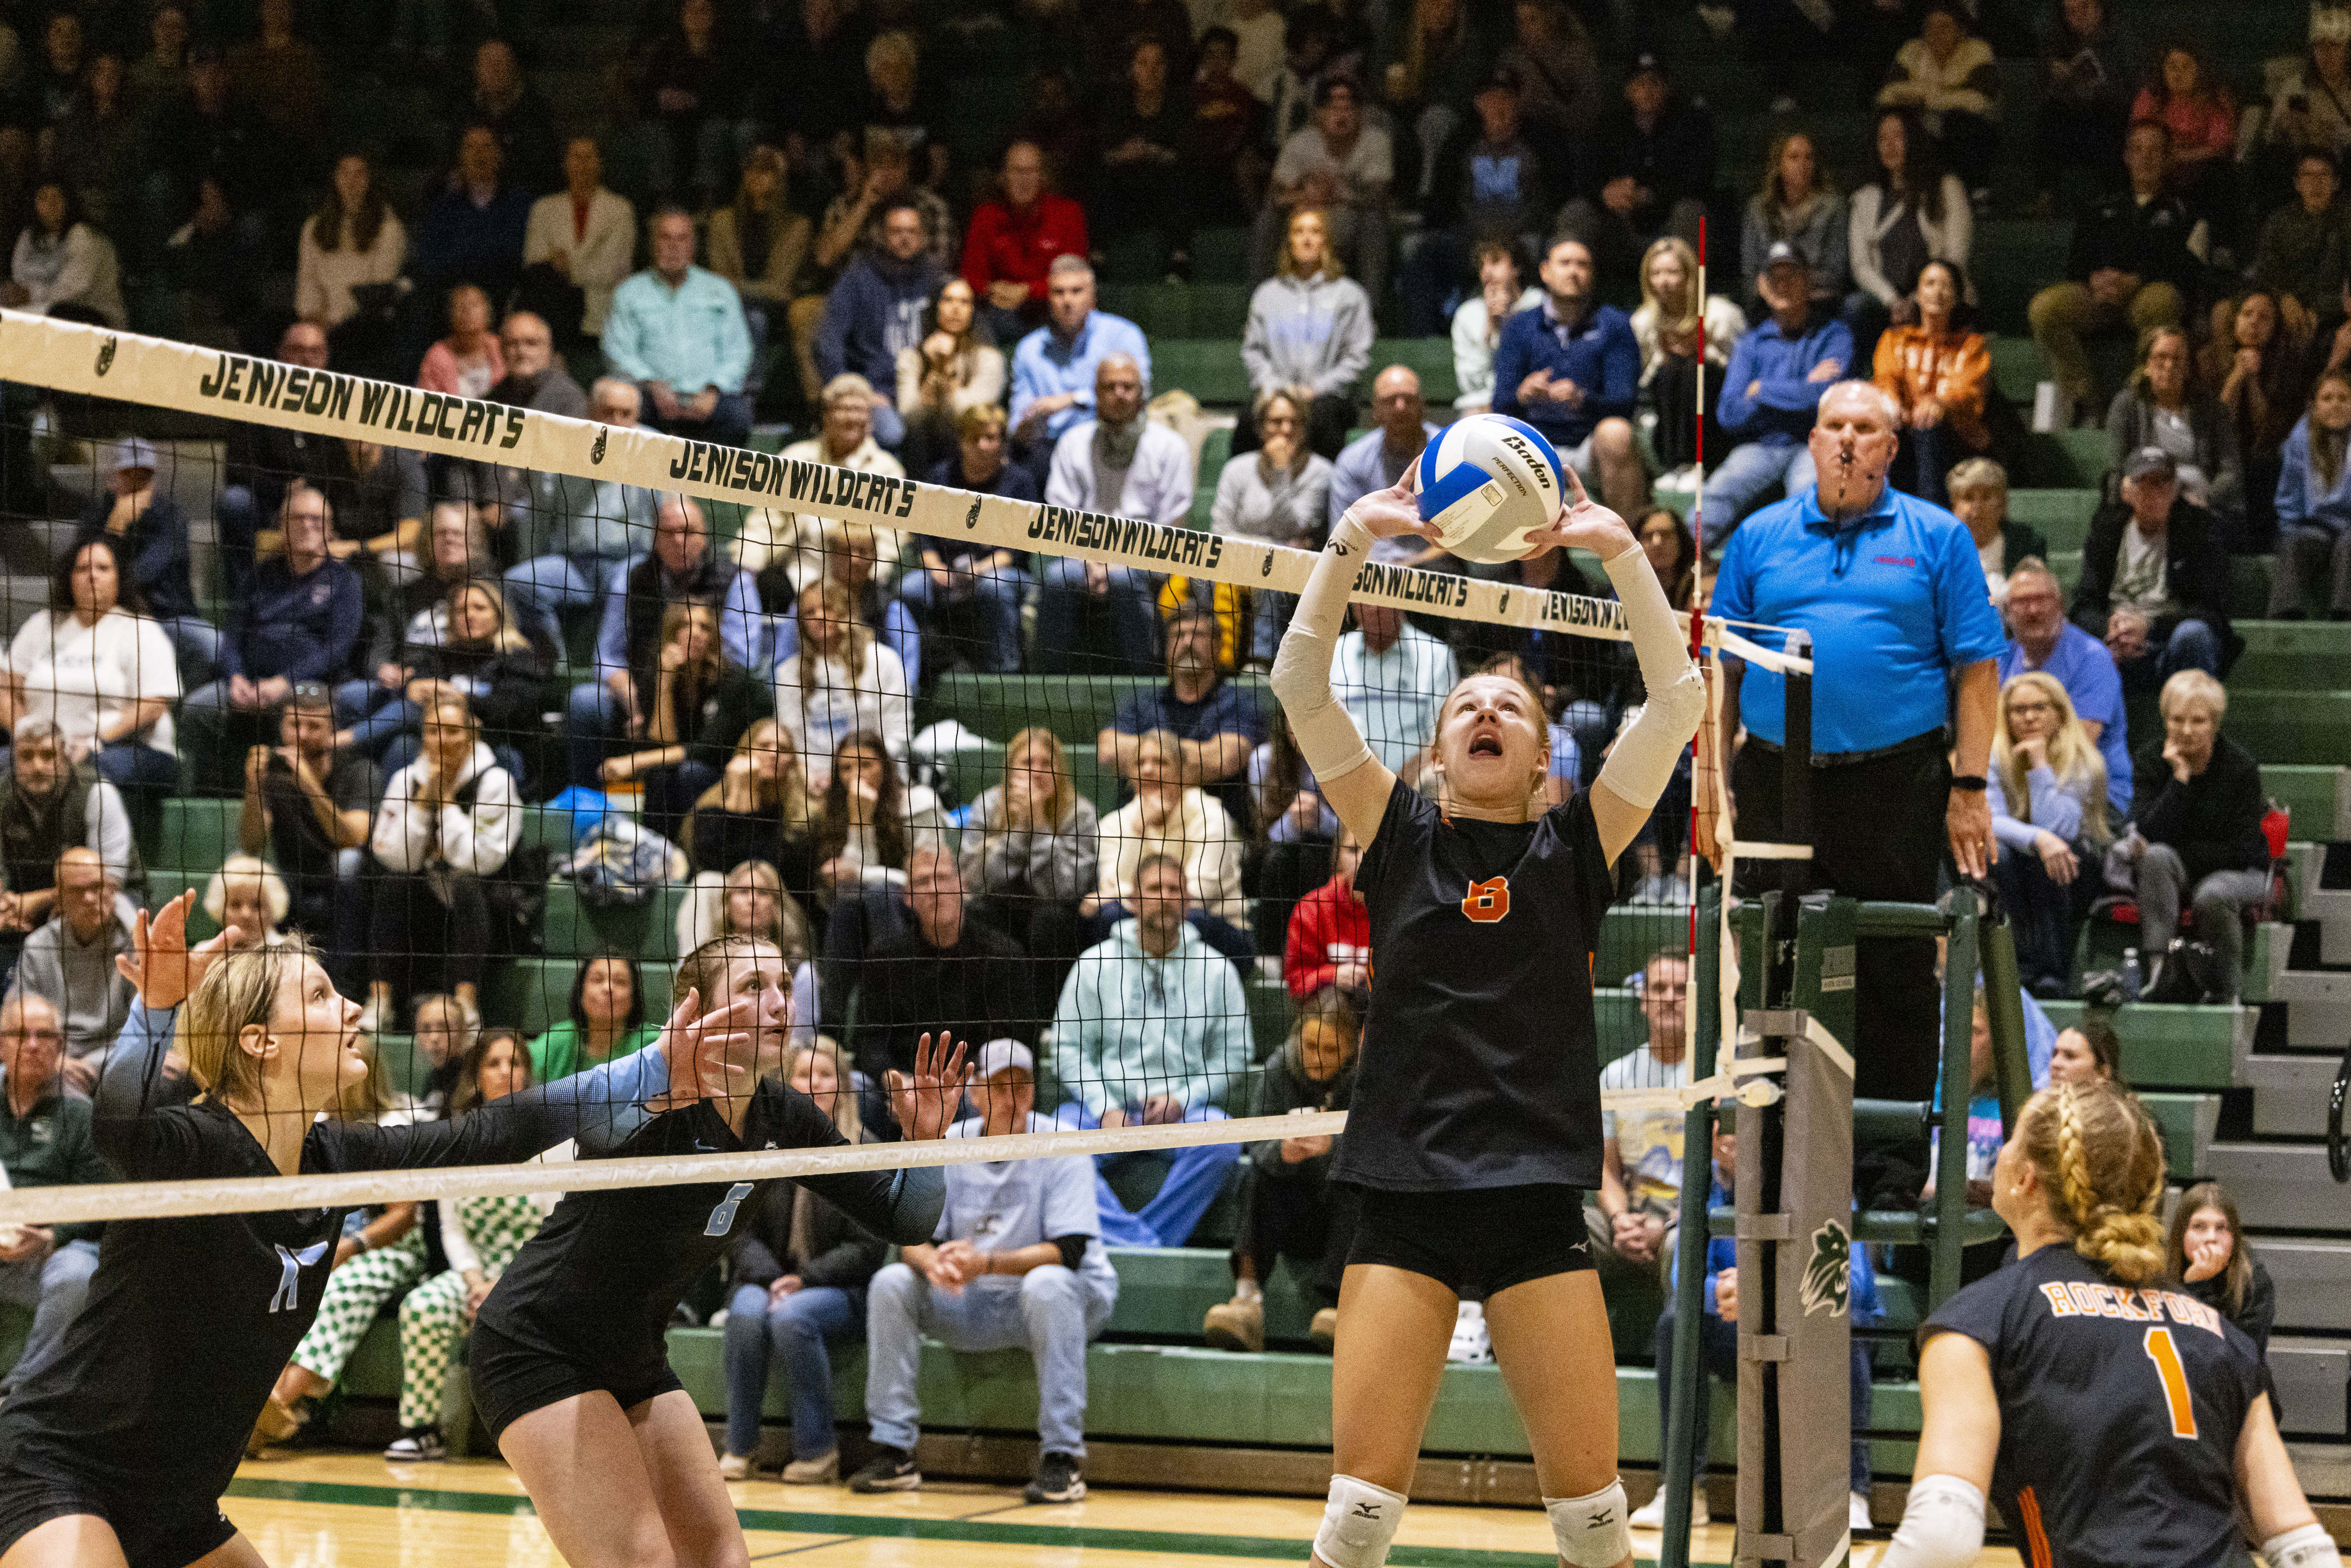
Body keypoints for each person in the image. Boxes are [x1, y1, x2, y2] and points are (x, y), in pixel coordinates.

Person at [1265, 425, 1703, 1568]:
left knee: (1593, 1524)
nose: (1486, 712)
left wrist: (1620, 554)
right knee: (1355, 1521)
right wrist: (1356, 535)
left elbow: (1676, 699)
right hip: (1402, 1187)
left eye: (1508, 705)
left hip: (1533, 1195)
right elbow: (1297, 681)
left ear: (1544, 760)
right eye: (1465, 703)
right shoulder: (1396, 829)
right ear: (1433, 750)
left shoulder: (1574, 844)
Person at [0, 892, 725, 1568]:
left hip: (177, 1501)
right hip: (64, 1467)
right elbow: (121, 1127)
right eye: (319, 996)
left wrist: (652, 1067)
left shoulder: (337, 1159)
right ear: (258, 1041)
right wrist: (154, 1009)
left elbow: (496, 1130)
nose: (351, 1009)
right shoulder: (196, 1147)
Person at [470, 938, 962, 1568]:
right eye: (754, 986)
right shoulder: (645, 1100)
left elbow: (907, 1218)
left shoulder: (782, 1115)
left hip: (633, 1353)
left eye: (784, 984)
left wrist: (926, 1143)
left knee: (723, 1558)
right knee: (646, 1560)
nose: (779, 1001)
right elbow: (533, 1129)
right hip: (534, 1345)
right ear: (697, 1011)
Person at [1893, 1081, 2334, 1568]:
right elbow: (2304, 1550)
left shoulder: (1979, 1322)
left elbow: (1942, 1534)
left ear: (2025, 1178)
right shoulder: (2220, 1334)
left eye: (2010, 1139)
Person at [1715, 382, 2006, 1107]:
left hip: (1896, 783)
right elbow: (1718, 673)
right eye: (1834, 425)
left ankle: (1891, 1164)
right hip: (1775, 780)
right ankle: (1772, 1154)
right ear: (1812, 443)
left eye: (1866, 428)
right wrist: (1713, 786)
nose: (1847, 439)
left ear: (1891, 448)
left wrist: (1969, 789)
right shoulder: (1757, 538)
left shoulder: (1937, 537)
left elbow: (1977, 670)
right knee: (1770, 961)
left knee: (1894, 965)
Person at [852, 1038, 1117, 1502]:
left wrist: (985, 1264)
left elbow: (1070, 1251)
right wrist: (934, 1263)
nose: (1012, 1098)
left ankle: (1062, 1458)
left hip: (1066, 1300)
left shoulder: (1063, 1143)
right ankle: (894, 1452)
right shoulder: (951, 1144)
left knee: (1048, 1284)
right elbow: (910, 1232)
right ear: (974, 1093)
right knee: (892, 1282)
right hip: (975, 1298)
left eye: (1022, 1086)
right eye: (999, 1086)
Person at [1636, 1118, 1880, 1534]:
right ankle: (1680, 1494)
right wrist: (1725, 1294)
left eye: (1748, 1122)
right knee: (1677, 1321)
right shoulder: (1703, 1185)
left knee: (1846, 1324)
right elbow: (1683, 1278)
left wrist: (1765, 1292)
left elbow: (1852, 1287)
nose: (1734, 1135)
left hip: (1812, 1332)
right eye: (1725, 1124)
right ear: (1711, 1140)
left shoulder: (1820, 1177)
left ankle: (1850, 1493)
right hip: (1742, 1328)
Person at [1053, 854, 1251, 1248]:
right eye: (1154, 889)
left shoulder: (1218, 970)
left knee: (1224, 1140)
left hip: (1184, 1114)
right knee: (1055, 1138)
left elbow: (1233, 1056)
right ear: (1132, 900)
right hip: (1108, 1111)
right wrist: (1104, 1105)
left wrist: (1182, 1098)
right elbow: (1069, 1048)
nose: (1164, 898)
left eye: (1174, 889)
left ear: (1189, 902)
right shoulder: (1094, 965)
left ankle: (1139, 1245)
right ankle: (1142, 1246)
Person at [717, 1035, 884, 1481]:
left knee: (793, 1317)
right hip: (768, 1277)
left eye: (825, 1075)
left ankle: (819, 1451)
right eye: (804, 1075)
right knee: (747, 1314)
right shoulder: (764, 1145)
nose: (815, 1084)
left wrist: (804, 1280)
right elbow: (737, 1227)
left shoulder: (864, 1149)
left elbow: (869, 1247)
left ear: (843, 1086)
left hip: (838, 1289)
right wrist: (772, 1277)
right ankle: (741, 1448)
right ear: (788, 1084)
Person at [380, 1027, 550, 1461]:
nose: (504, 1072)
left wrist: (505, 1284)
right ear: (477, 1077)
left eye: (514, 1063)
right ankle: (421, 1430)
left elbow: (555, 1226)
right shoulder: (459, 1140)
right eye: (493, 1063)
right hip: (474, 1273)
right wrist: (477, 1283)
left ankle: (537, 1437)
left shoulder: (551, 1139)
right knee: (423, 1306)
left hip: (534, 1271)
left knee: (532, 1313)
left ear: (528, 1075)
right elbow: (452, 1231)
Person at [565, 495, 761, 797]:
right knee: (586, 701)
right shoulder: (632, 577)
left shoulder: (734, 580)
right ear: (654, 537)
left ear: (705, 536)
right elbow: (607, 655)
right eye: (669, 532)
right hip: (643, 691)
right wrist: (633, 701)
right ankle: (585, 802)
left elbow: (743, 656)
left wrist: (693, 669)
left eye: (688, 531)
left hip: (707, 692)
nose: (679, 540)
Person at [1204, 985, 1362, 1353]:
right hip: (1291, 1211)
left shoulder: (1363, 1079)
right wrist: (1284, 1152)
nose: (1318, 1059)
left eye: (1330, 1050)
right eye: (1310, 1047)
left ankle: (1342, 1308)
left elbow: (1380, 1152)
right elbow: (1257, 1143)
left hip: (1338, 1219)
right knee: (1256, 1174)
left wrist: (1332, 1147)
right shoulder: (1279, 1068)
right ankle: (1246, 1303)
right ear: (1297, 1038)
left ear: (1351, 1050)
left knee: (1360, 1186)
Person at [181, 485, 365, 790]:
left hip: (310, 685)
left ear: (330, 530)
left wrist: (283, 682)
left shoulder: (346, 581)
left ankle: (281, 799)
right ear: (282, 526)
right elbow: (232, 637)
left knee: (295, 716)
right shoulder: (259, 576)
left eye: (316, 520)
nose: (307, 526)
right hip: (249, 683)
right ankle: (199, 798)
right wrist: (236, 676)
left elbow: (337, 650)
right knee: (198, 707)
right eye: (298, 519)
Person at [2027, 120, 2202, 426]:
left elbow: (2187, 266)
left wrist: (2135, 280)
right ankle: (2086, 398)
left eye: (2155, 151)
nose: (2145, 158)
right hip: (2098, 294)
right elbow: (2077, 259)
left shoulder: (2185, 209)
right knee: (2045, 308)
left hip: (2147, 295)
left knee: (2162, 300)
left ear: (2168, 157)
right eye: (2138, 149)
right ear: (2127, 156)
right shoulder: (2103, 205)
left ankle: (2138, 399)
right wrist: (2094, 279)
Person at [366, 693, 520, 1027]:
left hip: (484, 899)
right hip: (426, 900)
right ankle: (380, 1001)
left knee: (465, 881)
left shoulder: (497, 783)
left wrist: (447, 805)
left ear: (471, 736)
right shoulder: (405, 780)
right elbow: (396, 859)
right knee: (392, 885)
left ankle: (466, 1006)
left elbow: (482, 862)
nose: (442, 741)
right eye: (433, 731)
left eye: (452, 731)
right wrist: (423, 804)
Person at [2115, 669, 2268, 1003]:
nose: (2186, 731)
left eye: (2198, 721)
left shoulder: (2239, 767)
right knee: (2156, 857)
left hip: (2243, 873)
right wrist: (2179, 780)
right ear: (2164, 720)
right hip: (2181, 866)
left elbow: (2242, 849)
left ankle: (2227, 992)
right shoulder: (2152, 761)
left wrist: (2184, 850)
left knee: (2211, 895)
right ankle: (2160, 972)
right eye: (2176, 719)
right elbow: (2151, 833)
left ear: (2214, 724)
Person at [1037, 355, 1192, 674]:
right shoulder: (1072, 443)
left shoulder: (1170, 447)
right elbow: (1059, 520)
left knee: (1121, 579)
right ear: (1096, 393)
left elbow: (1173, 527)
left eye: (1128, 386)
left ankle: (1144, 678)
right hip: (1081, 559)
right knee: (1056, 578)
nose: (1119, 394)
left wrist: (1115, 564)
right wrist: (1090, 563)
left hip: (1146, 562)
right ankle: (1048, 682)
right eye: (1110, 387)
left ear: (1142, 393)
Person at [1700, 243, 1853, 547]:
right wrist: (1802, 389)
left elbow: (1827, 400)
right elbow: (1729, 414)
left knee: (1808, 498)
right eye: (1775, 279)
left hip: (1815, 443)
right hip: (1761, 445)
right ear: (1763, 287)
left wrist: (1761, 391)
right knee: (1710, 500)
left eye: (1791, 277)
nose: (1783, 286)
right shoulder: (1751, 343)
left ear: (1808, 281)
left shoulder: (1835, 336)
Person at [499, 377, 661, 661]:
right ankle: (555, 665)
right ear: (590, 410)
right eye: (607, 412)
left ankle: (610, 666)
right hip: (574, 565)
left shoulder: (656, 448)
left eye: (626, 414)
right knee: (519, 582)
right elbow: (541, 512)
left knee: (626, 586)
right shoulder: (563, 447)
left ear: (637, 417)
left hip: (629, 561)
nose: (616, 421)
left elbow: (673, 515)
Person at [1, 538, 179, 794]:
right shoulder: (42, 625)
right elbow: (4, 689)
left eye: (103, 568)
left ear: (119, 578)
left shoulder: (141, 630)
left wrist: (97, 740)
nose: (92, 576)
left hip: (124, 749)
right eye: (82, 569)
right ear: (70, 578)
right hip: (42, 749)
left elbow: (154, 704)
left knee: (77, 772)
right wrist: (30, 736)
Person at [1490, 236, 1645, 520]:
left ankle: (1630, 543)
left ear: (1592, 275)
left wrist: (1581, 398)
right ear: (1545, 272)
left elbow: (1624, 402)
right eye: (1565, 263)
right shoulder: (1520, 326)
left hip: (1591, 447)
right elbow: (1500, 403)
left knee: (1617, 432)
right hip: (1532, 448)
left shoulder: (1615, 325)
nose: (1573, 271)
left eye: (1582, 265)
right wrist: (1523, 393)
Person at [1403, 68, 1561, 339]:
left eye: (1506, 98)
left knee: (1550, 251)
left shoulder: (1542, 142)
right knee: (1419, 249)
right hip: (1470, 239)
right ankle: (1423, 339)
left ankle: (1545, 335)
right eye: (1491, 98)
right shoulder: (1461, 142)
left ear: (1519, 102)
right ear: (1479, 103)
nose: (1498, 105)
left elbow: (1558, 196)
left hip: (1524, 240)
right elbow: (1441, 198)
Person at [0, 991, 105, 1396]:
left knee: (77, 1275)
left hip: (47, 1251)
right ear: (1, 1043)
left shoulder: (80, 1115)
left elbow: (101, 1201)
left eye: (45, 1036)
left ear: (60, 1048)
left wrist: (51, 1237)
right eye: (19, 1034)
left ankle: (20, 1396)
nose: (32, 1045)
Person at [856, 845, 1033, 1084]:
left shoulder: (1003, 955)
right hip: (904, 1084)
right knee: (859, 1087)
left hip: (973, 1084)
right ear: (908, 897)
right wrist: (893, 1081)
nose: (935, 889)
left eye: (942, 877)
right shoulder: (884, 958)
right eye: (922, 882)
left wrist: (950, 1085)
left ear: (962, 885)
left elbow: (1007, 1043)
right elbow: (870, 1039)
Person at [236, 684, 376, 985]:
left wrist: (310, 785)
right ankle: (248, 981)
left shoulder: (359, 769)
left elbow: (353, 839)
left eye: (314, 726)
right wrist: (254, 788)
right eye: (294, 724)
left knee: (348, 862)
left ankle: (344, 985)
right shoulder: (273, 774)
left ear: (332, 730)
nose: (302, 734)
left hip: (343, 880)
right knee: (240, 866)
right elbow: (251, 844)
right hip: (292, 874)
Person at [592, 601, 764, 838]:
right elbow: (663, 741)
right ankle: (657, 851)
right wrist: (665, 681)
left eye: (704, 627)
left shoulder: (734, 681)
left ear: (713, 636)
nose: (696, 634)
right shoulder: (658, 673)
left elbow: (707, 749)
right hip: (684, 765)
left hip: (729, 768)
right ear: (672, 634)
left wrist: (634, 762)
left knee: (689, 772)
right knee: (661, 774)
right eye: (686, 625)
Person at [1555, 55, 1714, 309]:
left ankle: (1684, 312)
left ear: (1666, 87)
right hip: (1619, 229)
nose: (1646, 91)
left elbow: (1700, 181)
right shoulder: (1609, 126)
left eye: (1653, 83)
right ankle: (1571, 307)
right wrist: (1605, 193)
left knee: (1693, 213)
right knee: (1576, 213)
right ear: (1628, 89)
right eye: (1639, 84)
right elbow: (1583, 179)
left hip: (1667, 229)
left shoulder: (1690, 125)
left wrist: (1648, 195)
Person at [2070, 447, 2234, 692]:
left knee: (2193, 635)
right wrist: (2111, 628)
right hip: (2115, 642)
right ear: (2126, 490)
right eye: (2143, 484)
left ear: (2175, 490)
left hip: (2169, 641)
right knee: (2072, 638)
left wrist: (2151, 626)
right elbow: (2083, 603)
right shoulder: (2107, 529)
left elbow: (2212, 611)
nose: (2153, 494)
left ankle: (2196, 720)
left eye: (2161, 484)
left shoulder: (2199, 529)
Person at [1989, 672, 2113, 997]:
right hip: (2022, 856)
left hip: (2075, 860)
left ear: (2059, 713)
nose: (2029, 717)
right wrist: (2037, 840)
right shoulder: (1994, 754)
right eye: (2018, 710)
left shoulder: (2083, 760)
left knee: (2055, 858)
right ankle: (2018, 968)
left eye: (2039, 708)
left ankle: (2050, 974)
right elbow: (1991, 820)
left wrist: (2038, 766)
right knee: (1999, 854)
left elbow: (2059, 829)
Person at [1087, 729, 1250, 959]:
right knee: (1109, 917)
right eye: (1140, 763)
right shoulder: (1113, 824)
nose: (1149, 769)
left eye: (1161, 762)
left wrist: (1136, 898)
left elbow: (1204, 890)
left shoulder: (1210, 814)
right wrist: (1138, 829)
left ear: (1182, 771)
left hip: (1215, 924)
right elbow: (1113, 884)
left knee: (1190, 920)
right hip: (1143, 924)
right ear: (1131, 774)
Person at [745, 381, 908, 607]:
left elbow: (891, 538)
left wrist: (870, 578)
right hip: (796, 576)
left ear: (870, 421)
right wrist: (747, 567)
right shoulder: (796, 458)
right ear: (826, 415)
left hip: (856, 580)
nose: (851, 418)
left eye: (859, 410)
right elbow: (764, 520)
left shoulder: (888, 470)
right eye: (843, 409)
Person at [603, 206, 754, 449]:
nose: (674, 246)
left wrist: (714, 389)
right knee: (625, 410)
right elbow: (617, 352)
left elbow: (739, 351)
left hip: (709, 397)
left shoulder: (720, 290)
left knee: (738, 418)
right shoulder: (629, 293)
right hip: (651, 397)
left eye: (682, 238)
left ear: (693, 244)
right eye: (666, 238)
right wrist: (652, 384)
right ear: (653, 243)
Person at [1102, 602, 1266, 824]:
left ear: (1218, 646)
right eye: (1179, 635)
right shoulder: (1144, 701)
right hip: (1144, 824)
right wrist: (1189, 757)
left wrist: (1147, 756)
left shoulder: (1238, 702)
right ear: (1167, 647)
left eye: (1198, 634)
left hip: (1213, 827)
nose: (1188, 642)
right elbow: (1110, 751)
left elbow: (1224, 760)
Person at [958, 727, 1098, 985]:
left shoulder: (1080, 813)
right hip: (1000, 902)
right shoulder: (989, 805)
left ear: (1060, 771)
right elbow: (978, 882)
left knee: (1050, 922)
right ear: (1011, 771)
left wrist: (1039, 822)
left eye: (1046, 763)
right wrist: (1021, 830)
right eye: (1027, 763)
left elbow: (1065, 889)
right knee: (978, 912)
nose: (1037, 771)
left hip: (1055, 911)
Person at [1998, 556, 2132, 818]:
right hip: (2021, 795)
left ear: (2059, 605)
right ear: (2007, 612)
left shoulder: (2092, 657)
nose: (2033, 610)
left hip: (2091, 799)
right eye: (2022, 602)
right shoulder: (2002, 659)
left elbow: (2077, 748)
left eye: (2042, 599)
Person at [902, 407, 1032, 675]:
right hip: (945, 570)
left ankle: (1003, 675)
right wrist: (935, 566)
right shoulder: (941, 477)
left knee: (995, 588)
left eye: (991, 438)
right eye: (975, 439)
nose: (983, 446)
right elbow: (923, 534)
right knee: (911, 589)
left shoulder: (1019, 482)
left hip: (1001, 571)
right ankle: (926, 671)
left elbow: (1018, 548)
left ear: (1002, 442)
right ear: (962, 441)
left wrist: (981, 570)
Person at [1587, 955, 1691, 1291]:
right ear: (1643, 1000)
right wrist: (1620, 1221)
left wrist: (1668, 1224)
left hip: (1687, 1217)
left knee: (1683, 1246)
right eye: (1659, 988)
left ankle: (1677, 1343)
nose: (1670, 997)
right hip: (1630, 1212)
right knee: (1564, 1230)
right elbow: (1605, 1169)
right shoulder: (1615, 1076)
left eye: (1682, 989)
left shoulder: (1718, 1075)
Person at [1240, 209, 1372, 461]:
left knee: (1322, 416)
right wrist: (1281, 390)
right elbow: (1253, 352)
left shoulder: (1350, 295)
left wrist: (1315, 390)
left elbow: (1357, 358)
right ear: (1289, 240)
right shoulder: (1266, 295)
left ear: (1327, 240)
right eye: (1299, 232)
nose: (1307, 239)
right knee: (1249, 417)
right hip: (1277, 394)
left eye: (1315, 231)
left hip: (1329, 398)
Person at [1007, 256, 1151, 485]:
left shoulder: (1123, 335)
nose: (1067, 300)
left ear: (1092, 297)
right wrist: (1025, 424)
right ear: (1049, 298)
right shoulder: (1029, 349)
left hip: (1108, 435)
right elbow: (1019, 414)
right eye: (1059, 292)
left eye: (1076, 291)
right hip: (1049, 448)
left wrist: (1072, 400)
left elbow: (1138, 395)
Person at [816, 199, 944, 454]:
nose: (904, 239)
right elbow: (828, 342)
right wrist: (854, 392)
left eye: (912, 232)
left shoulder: (937, 280)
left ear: (922, 237)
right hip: (874, 392)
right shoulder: (858, 279)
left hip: (925, 390)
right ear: (884, 236)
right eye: (897, 232)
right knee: (893, 433)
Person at [1847, 109, 1972, 366]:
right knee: (1854, 307)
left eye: (1898, 137)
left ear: (1914, 141)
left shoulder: (1947, 189)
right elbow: (1861, 265)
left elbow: (1955, 258)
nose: (1890, 146)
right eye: (1883, 139)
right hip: (1887, 300)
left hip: (1937, 295)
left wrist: (1917, 300)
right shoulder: (1866, 198)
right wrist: (1893, 301)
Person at [1258, 76, 1391, 303]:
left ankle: (1371, 313)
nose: (1341, 116)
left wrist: (1338, 192)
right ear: (1319, 113)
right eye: (1333, 108)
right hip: (1306, 216)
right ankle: (1261, 305)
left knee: (1375, 222)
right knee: (1267, 221)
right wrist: (1305, 194)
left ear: (1360, 113)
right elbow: (1274, 196)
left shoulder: (1375, 141)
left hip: (1350, 218)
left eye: (1348, 109)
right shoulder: (1301, 143)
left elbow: (1378, 196)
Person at [1872, 259, 1991, 506]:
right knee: (1886, 425)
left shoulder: (1970, 345)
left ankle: (1931, 519)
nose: (1937, 291)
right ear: (1918, 294)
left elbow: (1968, 392)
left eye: (1946, 286)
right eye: (1930, 284)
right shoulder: (1895, 339)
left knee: (1928, 425)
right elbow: (1886, 377)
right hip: (1904, 434)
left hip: (1955, 439)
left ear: (1957, 298)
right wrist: (1891, 401)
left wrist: (1939, 404)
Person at [1631, 236, 1743, 489]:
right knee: (1672, 370)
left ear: (1689, 276)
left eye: (1672, 272)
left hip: (1714, 398)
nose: (1664, 281)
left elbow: (1739, 366)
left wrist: (1702, 351)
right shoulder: (1644, 321)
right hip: (1668, 397)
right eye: (1656, 273)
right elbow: (1644, 376)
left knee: (1694, 370)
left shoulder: (1719, 313)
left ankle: (1699, 464)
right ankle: (1675, 464)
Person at [776, 577, 914, 776]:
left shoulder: (883, 660)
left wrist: (862, 772)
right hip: (814, 781)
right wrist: (809, 776)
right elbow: (791, 737)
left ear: (845, 611)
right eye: (810, 612)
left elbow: (899, 733)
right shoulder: (788, 672)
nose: (819, 616)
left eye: (828, 607)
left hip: (877, 777)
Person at [2106, 325, 2243, 524]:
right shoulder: (2127, 406)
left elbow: (2231, 472)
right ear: (2147, 364)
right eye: (2161, 357)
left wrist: (2205, 500)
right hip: (2146, 506)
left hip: (2202, 507)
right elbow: (2116, 470)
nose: (2169, 366)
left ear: (2188, 367)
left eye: (2177, 359)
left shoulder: (2212, 410)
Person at [1087, 38, 1199, 277]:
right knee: (1099, 179)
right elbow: (1102, 153)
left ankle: (1178, 259)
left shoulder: (1178, 106)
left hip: (1163, 190)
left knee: (1182, 179)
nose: (1151, 71)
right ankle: (1097, 259)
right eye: (1144, 63)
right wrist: (1124, 154)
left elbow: (1187, 153)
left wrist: (1154, 152)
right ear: (1133, 68)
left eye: (1158, 64)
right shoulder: (1117, 105)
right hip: (1126, 191)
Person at [15, 845, 133, 1070]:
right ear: (59, 897)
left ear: (111, 889)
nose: (89, 899)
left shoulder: (136, 945)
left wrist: (92, 1066)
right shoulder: (38, 946)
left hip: (115, 1059)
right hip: (51, 1059)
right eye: (78, 891)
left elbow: (142, 1029)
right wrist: (56, 1063)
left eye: (97, 887)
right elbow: (21, 1020)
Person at [961, 141, 1088, 344]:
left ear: (1043, 177)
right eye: (1016, 172)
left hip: (1048, 309)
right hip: (998, 309)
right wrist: (992, 289)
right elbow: (971, 277)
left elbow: (1076, 276)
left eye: (1030, 172)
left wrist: (1029, 290)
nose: (1024, 180)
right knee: (970, 313)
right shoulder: (985, 216)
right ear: (1003, 177)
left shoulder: (1068, 214)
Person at [2204, 290, 2306, 540]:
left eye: (2264, 318)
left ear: (2275, 328)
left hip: (2264, 457)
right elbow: (2220, 422)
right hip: (2220, 453)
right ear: (2235, 320)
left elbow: (2269, 429)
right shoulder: (2209, 358)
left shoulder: (2287, 366)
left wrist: (2251, 380)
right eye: (2247, 314)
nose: (2254, 323)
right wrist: (2238, 374)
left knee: (2264, 464)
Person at [1877, 3, 2002, 196]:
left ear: (1960, 31)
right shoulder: (1912, 51)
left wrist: (1926, 98)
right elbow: (1888, 94)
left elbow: (1979, 99)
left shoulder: (1977, 51)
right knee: (1895, 121)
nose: (1936, 33)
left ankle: (1975, 190)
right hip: (1923, 127)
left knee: (1959, 121)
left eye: (1944, 27)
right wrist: (1946, 95)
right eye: (1930, 27)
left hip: (1971, 130)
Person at [523, 136, 637, 346]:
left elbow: (616, 270)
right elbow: (534, 264)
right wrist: (552, 268)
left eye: (589, 157)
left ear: (600, 164)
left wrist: (564, 270)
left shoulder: (620, 209)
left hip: (604, 317)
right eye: (576, 156)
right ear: (565, 163)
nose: (583, 163)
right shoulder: (543, 209)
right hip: (554, 317)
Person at [2029, 0, 2138, 218]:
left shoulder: (2122, 41)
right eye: (2071, 12)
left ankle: (2116, 198)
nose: (2078, 16)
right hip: (2073, 121)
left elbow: (2134, 91)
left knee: (2112, 121)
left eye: (2085, 8)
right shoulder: (2058, 44)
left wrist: (2096, 89)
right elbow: (2041, 93)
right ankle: (2046, 197)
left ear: (2100, 8)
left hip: (2110, 118)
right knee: (2051, 116)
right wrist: (2057, 79)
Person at [682, 720, 814, 898]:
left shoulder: (803, 814)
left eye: (783, 749)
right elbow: (709, 866)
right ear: (745, 753)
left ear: (792, 761)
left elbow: (778, 873)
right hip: (726, 908)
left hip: (781, 904)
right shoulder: (710, 807)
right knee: (708, 883)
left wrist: (748, 798)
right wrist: (741, 797)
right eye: (764, 746)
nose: (774, 753)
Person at [894, 277, 1005, 481]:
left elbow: (973, 413)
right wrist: (932, 369)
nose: (956, 309)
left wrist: (947, 372)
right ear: (935, 307)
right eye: (948, 300)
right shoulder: (912, 358)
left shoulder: (989, 358)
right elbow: (908, 412)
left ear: (973, 310)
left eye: (964, 302)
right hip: (922, 445)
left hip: (970, 445)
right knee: (918, 430)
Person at [411, 125, 533, 308]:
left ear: (499, 155)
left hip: (503, 295)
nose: (479, 154)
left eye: (486, 147)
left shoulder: (519, 202)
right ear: (461, 157)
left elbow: (515, 255)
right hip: (452, 298)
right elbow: (430, 260)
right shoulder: (443, 207)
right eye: (471, 147)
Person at [1333, 601, 1458, 777]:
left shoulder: (1436, 655)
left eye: (1380, 598)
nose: (1373, 607)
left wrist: (1397, 790)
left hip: (1417, 783)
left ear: (1400, 600)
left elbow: (1441, 739)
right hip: (1349, 778)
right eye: (1366, 598)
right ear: (1352, 604)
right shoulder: (1333, 653)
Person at [296, 152, 407, 334]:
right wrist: (315, 322)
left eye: (359, 174)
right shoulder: (313, 227)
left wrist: (342, 327)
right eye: (344, 173)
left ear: (371, 179)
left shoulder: (389, 229)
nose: (351, 181)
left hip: (364, 331)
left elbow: (376, 294)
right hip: (321, 328)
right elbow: (308, 284)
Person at [1741, 129, 1849, 314]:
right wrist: (1772, 293)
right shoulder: (1758, 209)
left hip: (1817, 302)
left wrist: (1795, 291)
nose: (1802, 164)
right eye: (1793, 157)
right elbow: (1750, 272)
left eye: (1808, 158)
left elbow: (1836, 273)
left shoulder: (1833, 208)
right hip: (1767, 303)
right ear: (1779, 164)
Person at [2272, 371, 2351, 618]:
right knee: (2295, 543)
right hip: (2313, 527)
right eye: (2327, 398)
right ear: (2314, 406)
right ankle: (2285, 622)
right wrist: (2289, 533)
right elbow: (2289, 497)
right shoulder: (2299, 440)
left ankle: (2343, 618)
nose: (2336, 404)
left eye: (2344, 398)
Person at [2168, 1181, 2276, 1356]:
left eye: (2221, 1228)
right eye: (2199, 1227)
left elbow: (2241, 1363)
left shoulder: (2254, 1282)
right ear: (2181, 1234)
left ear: (2234, 1237)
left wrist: (2200, 1287)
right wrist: (2192, 1289)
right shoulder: (2157, 1277)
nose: (2211, 1238)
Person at [2130, 42, 2236, 220]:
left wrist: (2180, 156)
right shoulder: (2150, 96)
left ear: (2199, 70)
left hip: (2199, 170)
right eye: (2172, 67)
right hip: (2156, 162)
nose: (2178, 74)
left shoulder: (2215, 99)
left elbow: (2220, 147)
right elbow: (2139, 135)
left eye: (2185, 67)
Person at [1327, 366, 1442, 523]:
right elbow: (1344, 532)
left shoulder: (1448, 449)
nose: (1401, 407)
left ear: (1422, 404)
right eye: (1390, 400)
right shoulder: (1352, 461)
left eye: (1409, 399)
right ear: (1376, 408)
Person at [4, 182, 124, 326]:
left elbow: (72, 288)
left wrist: (30, 294)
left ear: (68, 202)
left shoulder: (82, 235)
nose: (51, 204)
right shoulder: (29, 236)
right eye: (43, 198)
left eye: (57, 197)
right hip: (40, 307)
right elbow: (19, 278)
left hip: (91, 315)